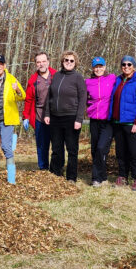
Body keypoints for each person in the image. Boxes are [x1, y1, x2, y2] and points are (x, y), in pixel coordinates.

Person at [44, 51, 87, 182]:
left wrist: (79, 119)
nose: (68, 62)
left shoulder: (78, 78)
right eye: (66, 60)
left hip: (71, 117)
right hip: (55, 117)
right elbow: (49, 96)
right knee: (56, 148)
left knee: (72, 149)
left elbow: (83, 99)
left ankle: (71, 177)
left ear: (75, 63)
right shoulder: (56, 75)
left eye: (71, 61)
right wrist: (47, 113)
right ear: (62, 61)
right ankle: (56, 173)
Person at [110, 55, 136, 189]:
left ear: (134, 66)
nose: (126, 67)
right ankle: (122, 176)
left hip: (133, 123)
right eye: (123, 65)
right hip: (119, 122)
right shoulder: (118, 80)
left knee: (135, 152)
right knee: (121, 152)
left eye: (129, 65)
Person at [85, 57, 117, 187]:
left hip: (108, 121)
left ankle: (96, 178)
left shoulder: (112, 79)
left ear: (104, 67)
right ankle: (103, 175)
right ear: (93, 68)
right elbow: (82, 97)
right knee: (95, 149)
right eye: (96, 67)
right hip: (94, 120)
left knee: (101, 148)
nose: (98, 69)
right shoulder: (87, 82)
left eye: (100, 66)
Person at [22, 52, 56, 170]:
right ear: (36, 64)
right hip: (39, 116)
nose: (41, 64)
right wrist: (25, 116)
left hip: (56, 115)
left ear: (48, 62)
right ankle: (43, 168)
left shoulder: (56, 75)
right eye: (38, 62)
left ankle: (56, 168)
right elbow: (28, 99)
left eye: (43, 61)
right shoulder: (33, 80)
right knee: (42, 144)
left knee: (57, 144)